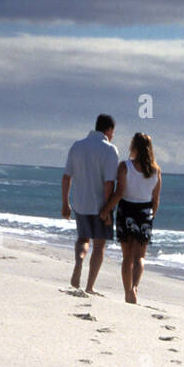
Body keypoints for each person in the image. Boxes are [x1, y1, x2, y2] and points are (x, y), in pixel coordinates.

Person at [100, 132, 161, 304]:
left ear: (134, 146)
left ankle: (127, 292)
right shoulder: (156, 170)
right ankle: (135, 287)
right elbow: (155, 199)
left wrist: (106, 210)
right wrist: (150, 217)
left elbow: (119, 193)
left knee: (127, 257)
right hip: (145, 212)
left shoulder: (125, 166)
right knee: (140, 257)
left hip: (126, 210)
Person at [61, 115, 119, 294]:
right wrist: (107, 208)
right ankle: (89, 286)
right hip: (100, 205)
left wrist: (65, 203)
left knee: (83, 238)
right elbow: (109, 182)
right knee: (99, 246)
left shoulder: (77, 146)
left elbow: (66, 177)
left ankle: (79, 260)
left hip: (80, 202)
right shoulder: (109, 149)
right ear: (109, 130)